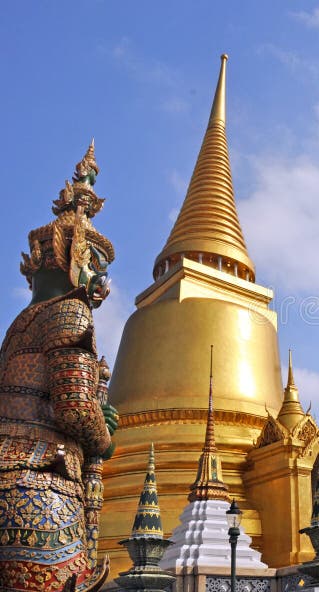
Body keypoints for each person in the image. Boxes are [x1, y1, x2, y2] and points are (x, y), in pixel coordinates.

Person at [0, 143, 117, 592]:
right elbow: (74, 408)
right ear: (78, 261)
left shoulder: (18, 326)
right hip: (39, 488)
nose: (101, 284)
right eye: (98, 270)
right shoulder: (71, 313)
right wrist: (104, 437)